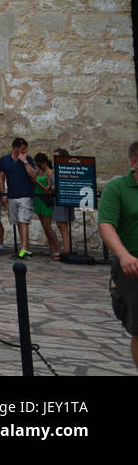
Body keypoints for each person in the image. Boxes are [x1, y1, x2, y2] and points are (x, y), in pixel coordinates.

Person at [98, 141, 138, 371]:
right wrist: (123, 256)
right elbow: (106, 225)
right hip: (132, 265)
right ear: (134, 163)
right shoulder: (118, 188)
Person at [0, 137, 37, 258]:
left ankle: (24, 249)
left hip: (25, 194)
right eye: (22, 149)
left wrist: (25, 161)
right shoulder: (5, 160)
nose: (24, 152)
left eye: (25, 149)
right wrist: (3, 193)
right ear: (15, 148)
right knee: (17, 222)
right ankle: (27, 248)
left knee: (23, 221)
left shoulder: (28, 159)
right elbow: (1, 177)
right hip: (12, 195)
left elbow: (33, 174)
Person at [32, 153, 63, 259]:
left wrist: (37, 182)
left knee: (48, 226)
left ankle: (58, 249)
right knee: (44, 227)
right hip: (38, 199)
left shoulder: (49, 173)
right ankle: (52, 248)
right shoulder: (39, 171)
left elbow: (48, 189)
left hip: (46, 200)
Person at [51, 148, 73, 257]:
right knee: (60, 225)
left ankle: (67, 251)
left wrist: (54, 187)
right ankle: (66, 250)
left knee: (63, 225)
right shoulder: (56, 169)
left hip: (63, 199)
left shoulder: (65, 169)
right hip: (57, 200)